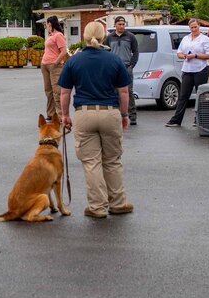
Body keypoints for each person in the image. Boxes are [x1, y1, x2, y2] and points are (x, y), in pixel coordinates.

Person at [58, 21, 132, 219]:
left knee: (92, 162)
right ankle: (118, 203)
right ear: (103, 37)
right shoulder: (114, 60)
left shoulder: (74, 60)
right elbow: (124, 92)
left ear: (84, 37)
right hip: (110, 112)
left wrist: (65, 115)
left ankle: (97, 207)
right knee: (112, 160)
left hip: (84, 113)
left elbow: (64, 92)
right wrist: (124, 115)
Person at [165, 18, 209, 127]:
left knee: (200, 94)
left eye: (195, 27)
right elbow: (179, 52)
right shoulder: (186, 38)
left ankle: (199, 119)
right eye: (191, 28)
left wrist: (196, 55)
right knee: (183, 95)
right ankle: (176, 120)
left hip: (201, 68)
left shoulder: (204, 39)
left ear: (199, 26)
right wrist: (184, 56)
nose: (194, 29)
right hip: (187, 68)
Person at [105, 15, 139, 125]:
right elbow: (105, 52)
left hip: (126, 68)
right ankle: (117, 115)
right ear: (114, 25)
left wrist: (131, 65)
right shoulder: (109, 38)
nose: (121, 26)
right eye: (119, 24)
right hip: (114, 68)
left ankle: (132, 116)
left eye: (123, 24)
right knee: (114, 92)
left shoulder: (130, 37)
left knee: (128, 91)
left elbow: (136, 52)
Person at [40, 15, 67, 122]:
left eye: (46, 24)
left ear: (50, 24)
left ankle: (60, 116)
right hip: (45, 65)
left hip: (55, 66)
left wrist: (56, 61)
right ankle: (51, 113)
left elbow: (64, 51)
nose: (46, 26)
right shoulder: (50, 36)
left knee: (57, 91)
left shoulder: (59, 35)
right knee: (48, 91)